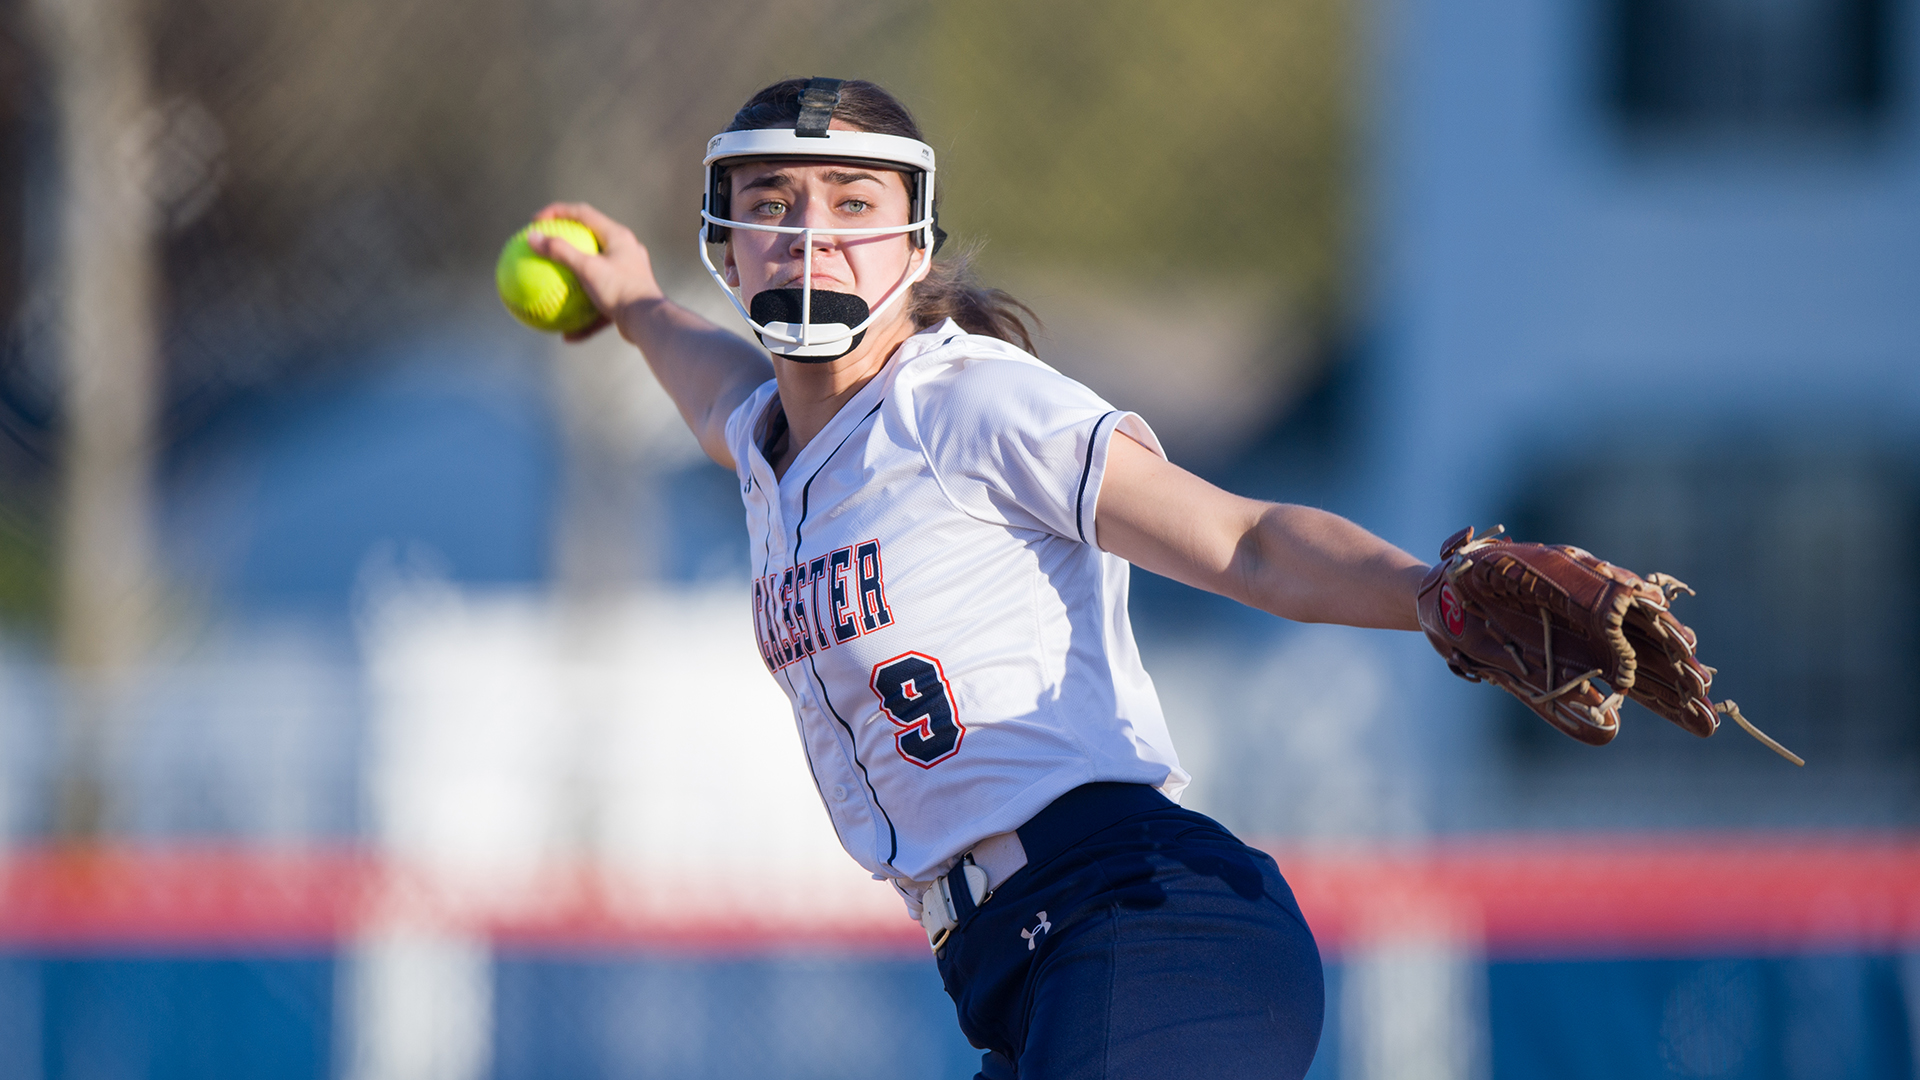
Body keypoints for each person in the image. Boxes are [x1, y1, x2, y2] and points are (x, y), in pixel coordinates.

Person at [524, 76, 1428, 1080]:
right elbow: (714, 392)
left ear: (916, 243)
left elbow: (1246, 540)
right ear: (725, 242)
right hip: (1023, 966)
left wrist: (1439, 597)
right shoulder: (771, 445)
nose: (811, 232)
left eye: (854, 202)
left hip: (1145, 921)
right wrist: (638, 304)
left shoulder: (964, 404)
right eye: (773, 201)